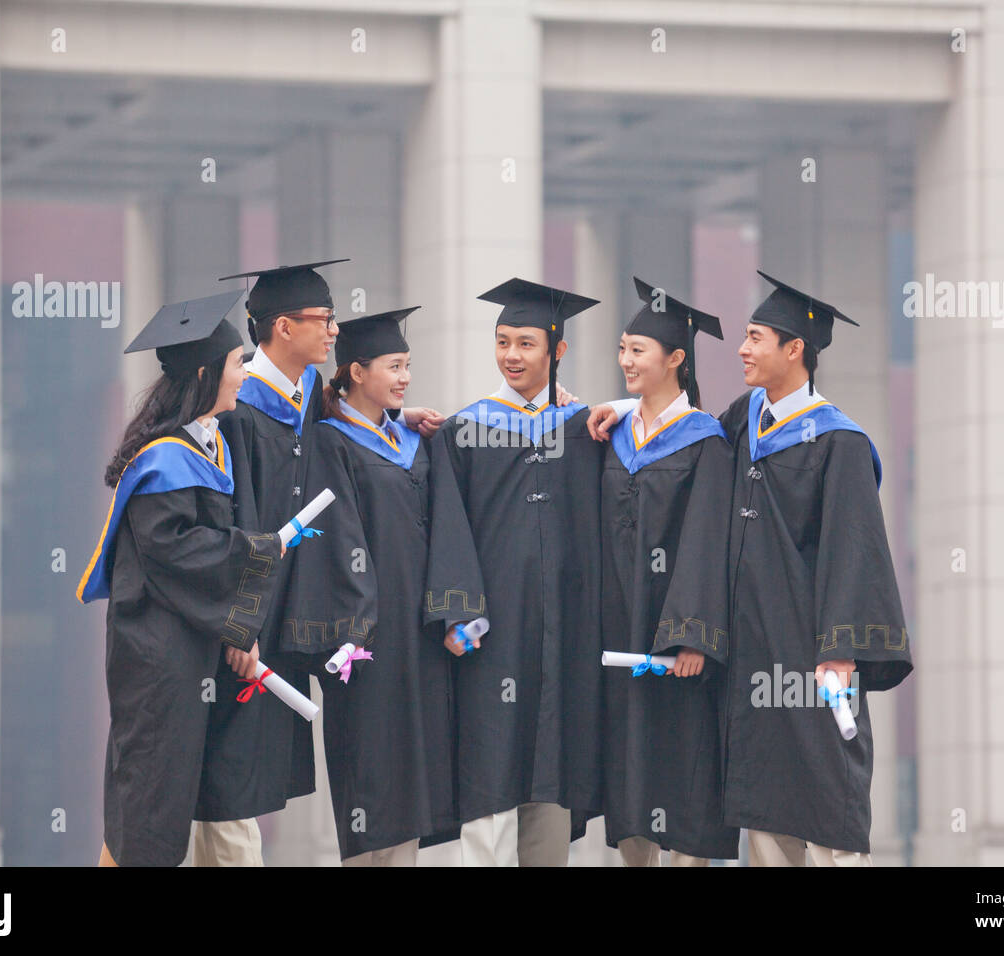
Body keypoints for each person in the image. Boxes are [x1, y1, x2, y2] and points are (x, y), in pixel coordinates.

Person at [589, 270, 913, 866]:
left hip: (811, 650)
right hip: (752, 650)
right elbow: (676, 420)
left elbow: (856, 550)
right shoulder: (744, 421)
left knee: (828, 795)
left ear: (795, 350)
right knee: (764, 804)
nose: (741, 348)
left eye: (756, 337)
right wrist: (612, 406)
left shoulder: (837, 442)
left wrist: (841, 650)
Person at [192, 262, 445, 866]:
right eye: (323, 320)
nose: (335, 330)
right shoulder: (237, 408)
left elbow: (337, 419)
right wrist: (239, 624)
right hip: (249, 613)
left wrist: (395, 414)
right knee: (231, 770)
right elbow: (234, 522)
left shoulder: (306, 394)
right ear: (283, 327)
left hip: (304, 607)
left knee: (281, 764)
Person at [77, 290, 286, 867]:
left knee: (196, 795)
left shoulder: (208, 440)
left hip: (194, 650)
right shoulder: (163, 459)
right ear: (205, 373)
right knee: (150, 796)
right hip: (158, 661)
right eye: (237, 364)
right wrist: (257, 549)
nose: (244, 375)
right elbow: (178, 554)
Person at [424, 277, 606, 867]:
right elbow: (447, 525)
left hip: (567, 632)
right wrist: (458, 609)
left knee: (553, 766)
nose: (511, 355)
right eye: (502, 341)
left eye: (526, 343)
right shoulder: (465, 431)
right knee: (491, 763)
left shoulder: (589, 431)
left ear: (558, 350)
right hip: (491, 633)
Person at [300, 307, 459, 865]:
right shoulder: (330, 443)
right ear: (357, 372)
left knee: (414, 778)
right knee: (372, 772)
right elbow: (338, 540)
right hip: (365, 642)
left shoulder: (411, 438)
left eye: (408, 366)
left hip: (416, 633)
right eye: (394, 366)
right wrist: (355, 629)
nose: (405, 377)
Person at [599, 278, 738, 866]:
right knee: (629, 772)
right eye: (623, 349)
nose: (626, 361)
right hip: (619, 634)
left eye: (638, 351)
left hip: (675, 643)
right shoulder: (609, 434)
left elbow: (709, 542)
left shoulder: (707, 442)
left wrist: (692, 634)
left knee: (680, 768)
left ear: (675, 359)